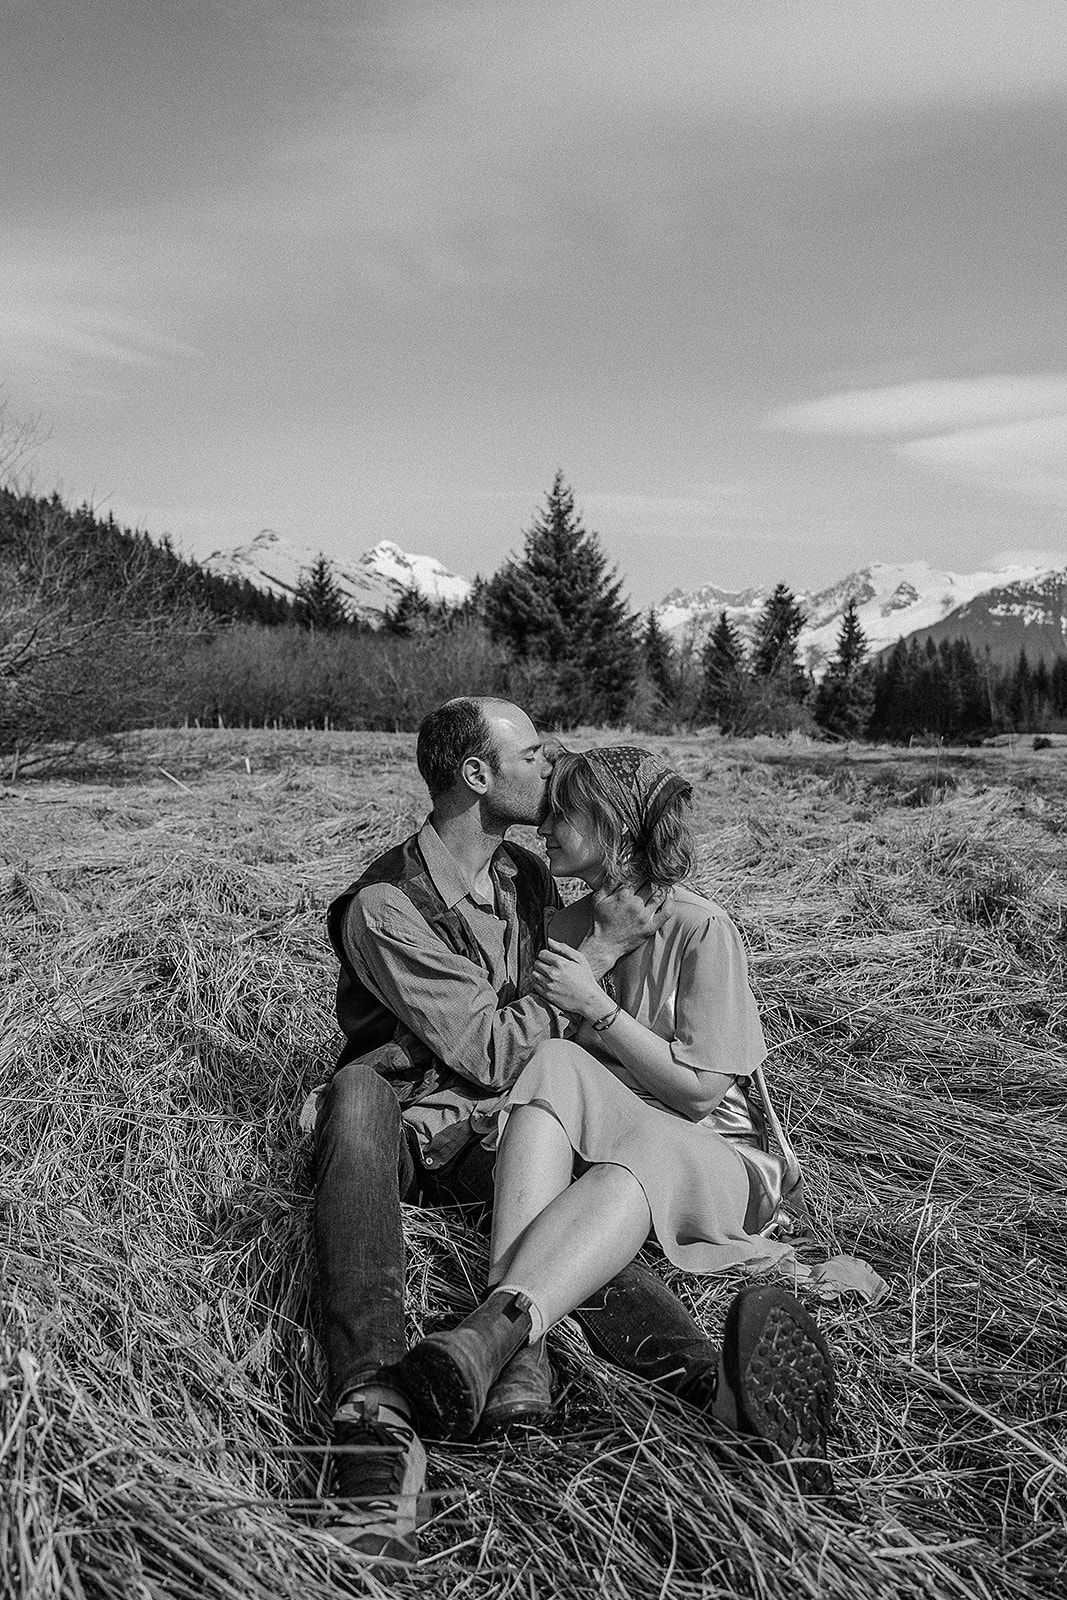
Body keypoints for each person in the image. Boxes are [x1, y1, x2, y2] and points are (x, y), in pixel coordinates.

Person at [315, 705, 839, 1562]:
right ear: (478, 777)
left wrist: (595, 974)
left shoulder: (527, 881)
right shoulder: (386, 905)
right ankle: (373, 1412)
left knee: (585, 1195)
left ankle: (554, 1352)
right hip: (434, 1122)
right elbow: (490, 1049)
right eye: (532, 757)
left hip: (526, 1123)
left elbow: (613, 1055)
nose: (547, 768)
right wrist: (595, 964)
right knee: (354, 1096)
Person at [398, 745, 884, 1475]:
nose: (546, 824)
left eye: (565, 812)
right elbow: (520, 1055)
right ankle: (512, 1342)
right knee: (554, 1062)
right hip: (624, 1139)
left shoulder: (698, 928)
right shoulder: (568, 935)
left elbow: (700, 1093)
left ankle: (495, 1333)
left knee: (632, 1141)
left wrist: (597, 1010)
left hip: (719, 1158)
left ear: (616, 824)